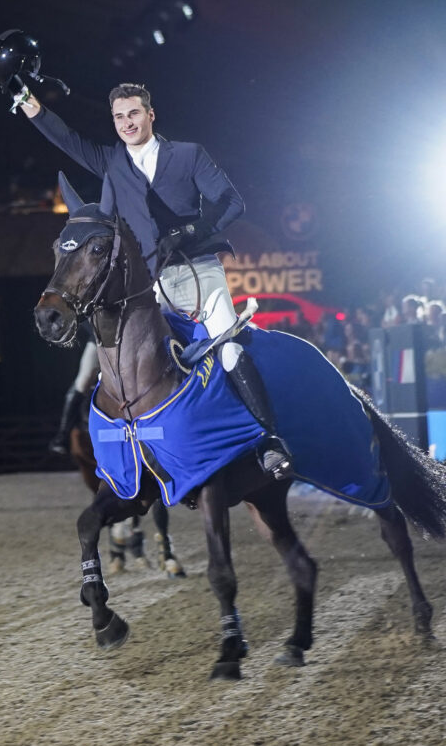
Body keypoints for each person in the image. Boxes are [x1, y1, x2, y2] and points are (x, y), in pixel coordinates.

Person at [20, 81, 288, 477]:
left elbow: (232, 201)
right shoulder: (113, 162)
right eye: (119, 117)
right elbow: (66, 139)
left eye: (133, 114)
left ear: (150, 114)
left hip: (198, 271)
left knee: (228, 349)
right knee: (121, 357)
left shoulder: (188, 155)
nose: (127, 123)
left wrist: (192, 231)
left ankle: (269, 439)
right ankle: (141, 448)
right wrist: (24, 99)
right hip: (150, 282)